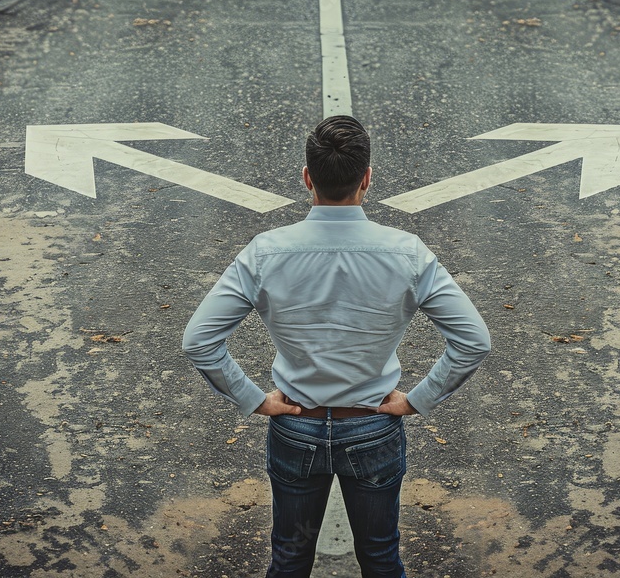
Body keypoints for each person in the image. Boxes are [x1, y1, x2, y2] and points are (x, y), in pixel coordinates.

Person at [182, 115, 491, 578]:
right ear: (367, 179)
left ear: (307, 178)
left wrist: (253, 399)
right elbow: (473, 340)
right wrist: (419, 399)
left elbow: (199, 341)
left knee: (289, 556)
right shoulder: (407, 252)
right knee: (382, 557)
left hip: (296, 427)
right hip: (372, 428)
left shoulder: (266, 251)